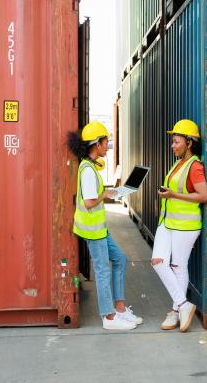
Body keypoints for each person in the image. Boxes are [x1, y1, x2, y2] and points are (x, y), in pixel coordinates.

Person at [69, 121, 143, 330]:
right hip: (93, 231)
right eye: (105, 142)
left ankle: (119, 308)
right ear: (96, 143)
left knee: (120, 259)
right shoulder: (87, 171)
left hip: (99, 228)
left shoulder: (90, 166)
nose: (107, 146)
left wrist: (110, 193)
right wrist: (107, 194)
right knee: (102, 271)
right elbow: (90, 202)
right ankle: (108, 317)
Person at [152, 119, 207, 332]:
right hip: (167, 223)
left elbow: (204, 195)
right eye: (173, 142)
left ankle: (176, 311)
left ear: (189, 143)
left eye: (176, 142)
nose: (172, 145)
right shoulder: (178, 163)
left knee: (178, 267)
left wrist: (173, 194)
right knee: (158, 261)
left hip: (185, 226)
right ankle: (184, 305)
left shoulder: (195, 166)